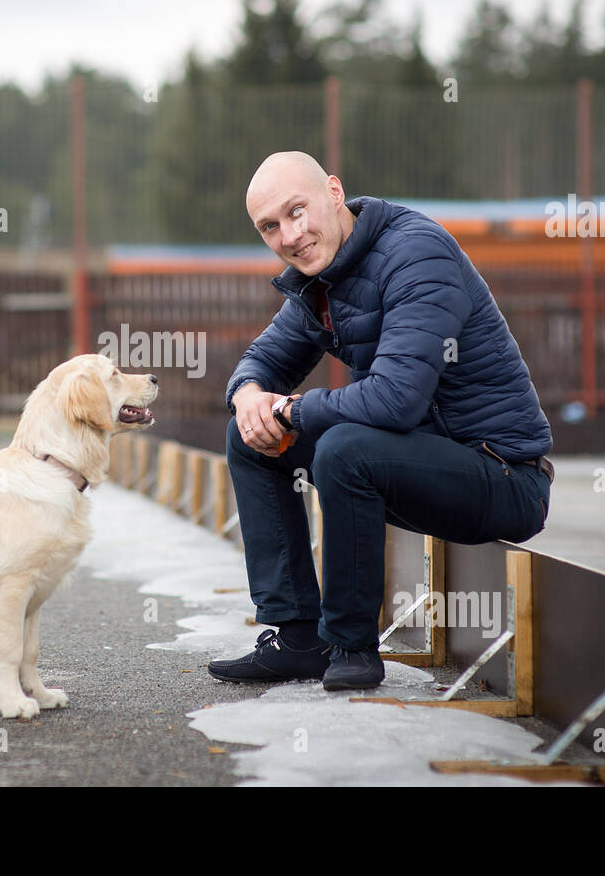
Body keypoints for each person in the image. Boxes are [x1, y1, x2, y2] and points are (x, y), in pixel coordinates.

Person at [210, 151, 553, 691]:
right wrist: (248, 394)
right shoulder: (320, 278)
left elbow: (397, 400)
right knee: (252, 438)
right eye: (269, 227)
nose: (289, 235)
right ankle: (299, 638)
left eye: (296, 211)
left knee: (345, 449)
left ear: (334, 191)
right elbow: (264, 359)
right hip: (418, 463)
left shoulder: (416, 254)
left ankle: (351, 646)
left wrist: (294, 408)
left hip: (502, 475)